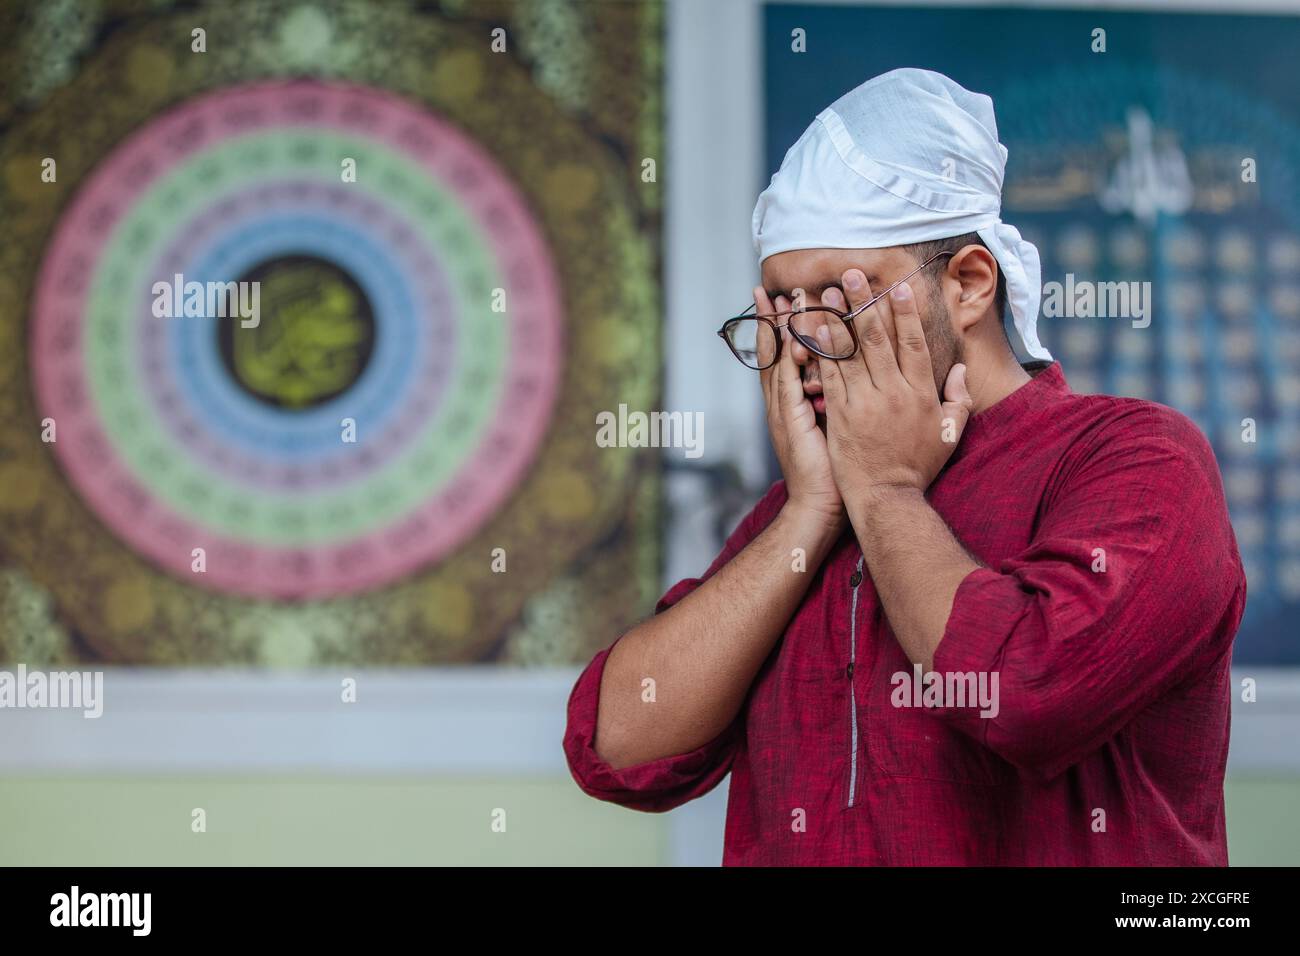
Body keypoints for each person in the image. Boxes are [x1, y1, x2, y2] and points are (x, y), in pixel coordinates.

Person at [564, 68, 1246, 865]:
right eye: (781, 310)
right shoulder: (801, 514)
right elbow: (618, 749)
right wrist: (811, 514)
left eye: (835, 299)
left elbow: (1022, 693)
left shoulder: (1132, 461)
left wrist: (886, 492)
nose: (804, 347)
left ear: (967, 284)